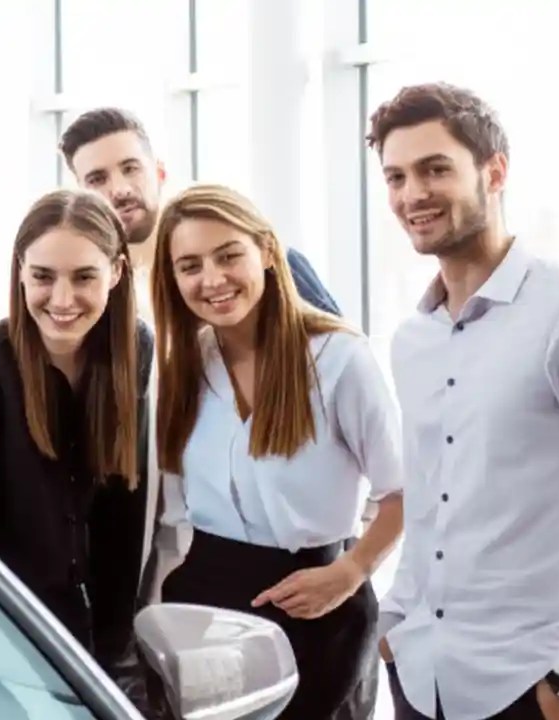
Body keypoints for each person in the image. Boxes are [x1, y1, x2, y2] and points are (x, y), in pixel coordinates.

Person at [369, 83, 559, 720]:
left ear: (494, 170)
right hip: (424, 679)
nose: (411, 194)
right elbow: (428, 499)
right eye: (396, 176)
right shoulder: (412, 339)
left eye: (435, 169)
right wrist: (395, 621)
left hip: (538, 685)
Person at [148, 183, 404, 719]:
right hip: (207, 609)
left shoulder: (339, 359)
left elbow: (403, 491)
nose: (211, 279)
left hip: (317, 603)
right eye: (189, 265)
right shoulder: (185, 365)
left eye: (228, 255)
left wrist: (353, 570)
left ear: (266, 251)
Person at [0, 188, 150, 671]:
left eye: (85, 277)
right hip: (8, 639)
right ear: (20, 271)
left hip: (106, 643)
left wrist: (116, 646)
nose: (63, 299)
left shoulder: (136, 348)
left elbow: (125, 508)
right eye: (43, 277)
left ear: (116, 272)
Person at [58, 106, 340, 318]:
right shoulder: (86, 289)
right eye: (97, 179)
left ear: (159, 172)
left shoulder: (256, 257)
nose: (119, 189)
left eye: (130, 169)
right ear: (81, 194)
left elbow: (337, 350)